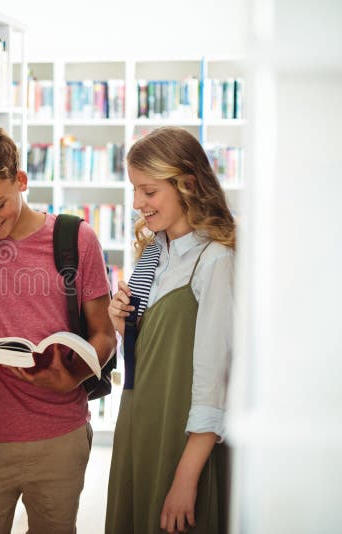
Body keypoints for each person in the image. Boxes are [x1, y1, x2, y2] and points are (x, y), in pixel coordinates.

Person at [0, 126, 117, 533]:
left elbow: (104, 334)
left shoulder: (75, 239)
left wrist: (73, 376)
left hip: (61, 438)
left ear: (21, 180)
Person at [105, 127, 234, 534]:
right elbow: (152, 356)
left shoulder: (215, 261)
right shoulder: (153, 254)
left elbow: (214, 382)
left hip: (179, 439)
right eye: (134, 191)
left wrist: (185, 479)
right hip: (140, 424)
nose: (137, 203)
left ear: (187, 185)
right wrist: (120, 323)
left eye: (148, 191)